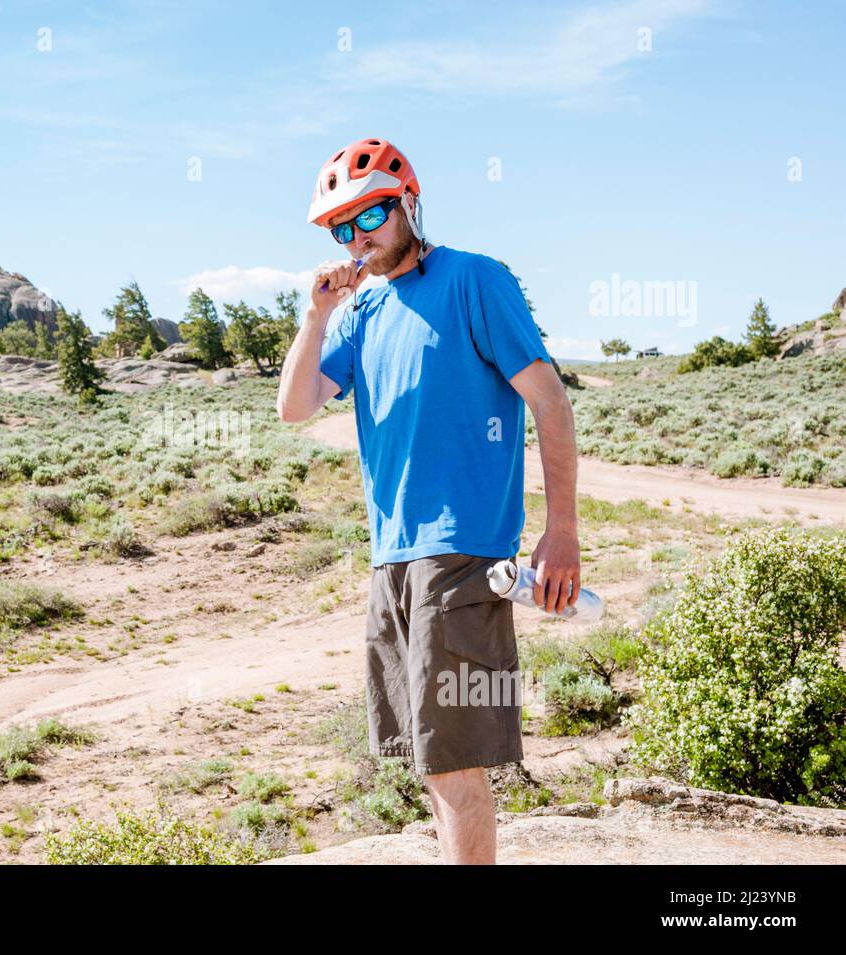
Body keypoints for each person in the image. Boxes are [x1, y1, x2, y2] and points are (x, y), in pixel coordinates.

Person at [277, 136, 580, 864]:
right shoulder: (358, 310)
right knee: (427, 758)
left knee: (452, 763)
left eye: (370, 215)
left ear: (408, 201)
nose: (358, 237)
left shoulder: (475, 280)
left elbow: (550, 404)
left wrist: (561, 527)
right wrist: (315, 316)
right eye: (341, 228)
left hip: (460, 552)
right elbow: (295, 406)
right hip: (392, 559)